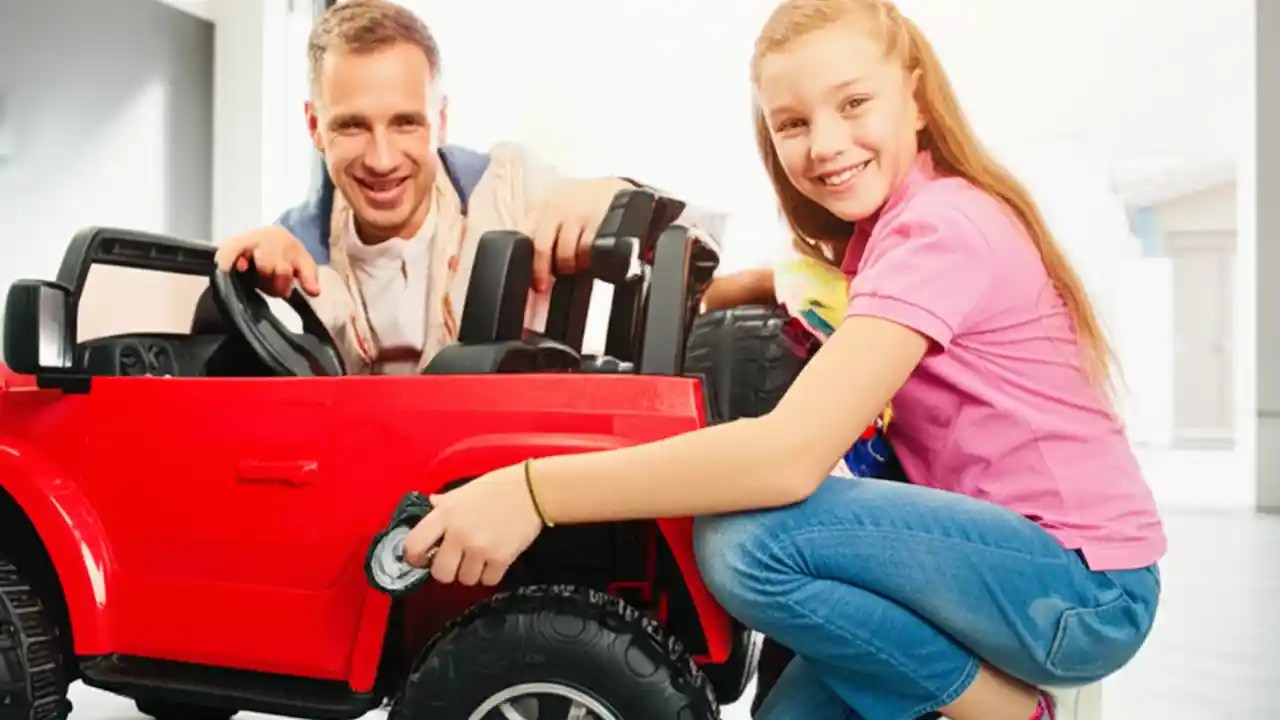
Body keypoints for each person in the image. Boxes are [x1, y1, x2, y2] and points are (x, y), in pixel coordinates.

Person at [397, 0, 1165, 718]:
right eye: (792, 123)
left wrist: (531, 491)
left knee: (748, 542)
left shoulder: (942, 231)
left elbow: (787, 457)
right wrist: (727, 286)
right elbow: (807, 285)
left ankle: (1005, 711)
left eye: (853, 103)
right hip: (1002, 564)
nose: (826, 143)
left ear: (918, 98)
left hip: (1079, 587)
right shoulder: (894, 237)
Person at [212, 0, 771, 374]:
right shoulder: (292, 252)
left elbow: (691, 248)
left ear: (443, 120)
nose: (382, 159)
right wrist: (251, 277)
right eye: (352, 126)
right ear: (315, 127)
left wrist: (614, 192)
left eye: (406, 122)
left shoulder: (508, 186)